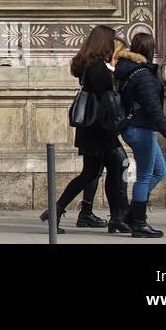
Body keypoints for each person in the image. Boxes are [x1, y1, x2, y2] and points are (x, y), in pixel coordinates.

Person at [41, 24, 131, 234]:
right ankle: (117, 217)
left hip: (92, 130)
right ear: (104, 43)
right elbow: (108, 97)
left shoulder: (90, 65)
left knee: (91, 173)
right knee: (117, 165)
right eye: (111, 42)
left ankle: (56, 211)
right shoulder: (98, 68)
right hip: (100, 130)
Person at [116, 31, 166, 238]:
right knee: (144, 176)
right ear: (150, 50)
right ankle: (139, 224)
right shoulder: (143, 75)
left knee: (159, 171)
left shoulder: (128, 69)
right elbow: (153, 107)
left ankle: (132, 214)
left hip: (138, 129)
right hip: (141, 129)